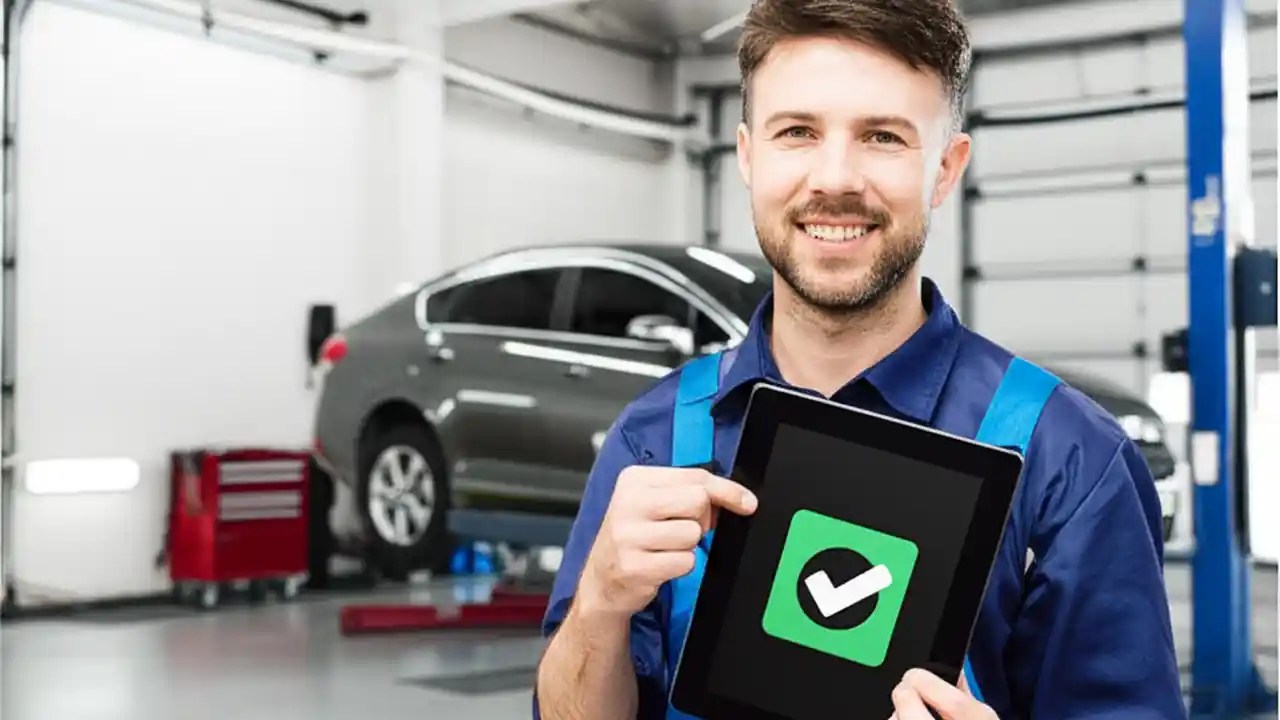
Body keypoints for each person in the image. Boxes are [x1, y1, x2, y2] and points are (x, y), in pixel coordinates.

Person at [533, 0, 1184, 717]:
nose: (835, 177)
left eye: (882, 136)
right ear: (749, 157)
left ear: (945, 168)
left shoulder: (1072, 466)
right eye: (798, 132)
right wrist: (598, 604)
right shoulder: (653, 437)